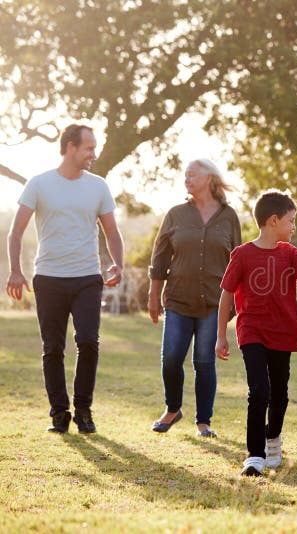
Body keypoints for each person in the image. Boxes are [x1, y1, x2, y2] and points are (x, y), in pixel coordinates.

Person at [5, 123, 124, 434]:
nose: (93, 154)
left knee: (88, 341)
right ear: (70, 147)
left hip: (87, 277)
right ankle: (59, 413)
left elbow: (112, 232)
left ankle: (83, 410)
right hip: (49, 278)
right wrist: (15, 270)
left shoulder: (98, 186)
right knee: (53, 348)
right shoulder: (39, 184)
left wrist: (118, 264)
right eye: (88, 148)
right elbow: (16, 232)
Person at [216, 190, 297, 476]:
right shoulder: (242, 254)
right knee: (259, 391)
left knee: (279, 394)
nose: (294, 227)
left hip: (283, 332)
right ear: (273, 221)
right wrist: (221, 336)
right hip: (252, 331)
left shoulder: (290, 253)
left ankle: (273, 437)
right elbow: (226, 295)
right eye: (291, 221)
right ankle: (254, 455)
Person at [147, 159, 241, 437]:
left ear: (209, 178)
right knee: (171, 358)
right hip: (177, 298)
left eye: (192, 174)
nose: (186, 179)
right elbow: (159, 258)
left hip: (214, 302)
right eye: (185, 175)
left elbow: (238, 260)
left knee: (204, 361)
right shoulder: (175, 214)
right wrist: (153, 294)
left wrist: (238, 301)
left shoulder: (229, 217)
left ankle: (203, 423)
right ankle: (173, 409)